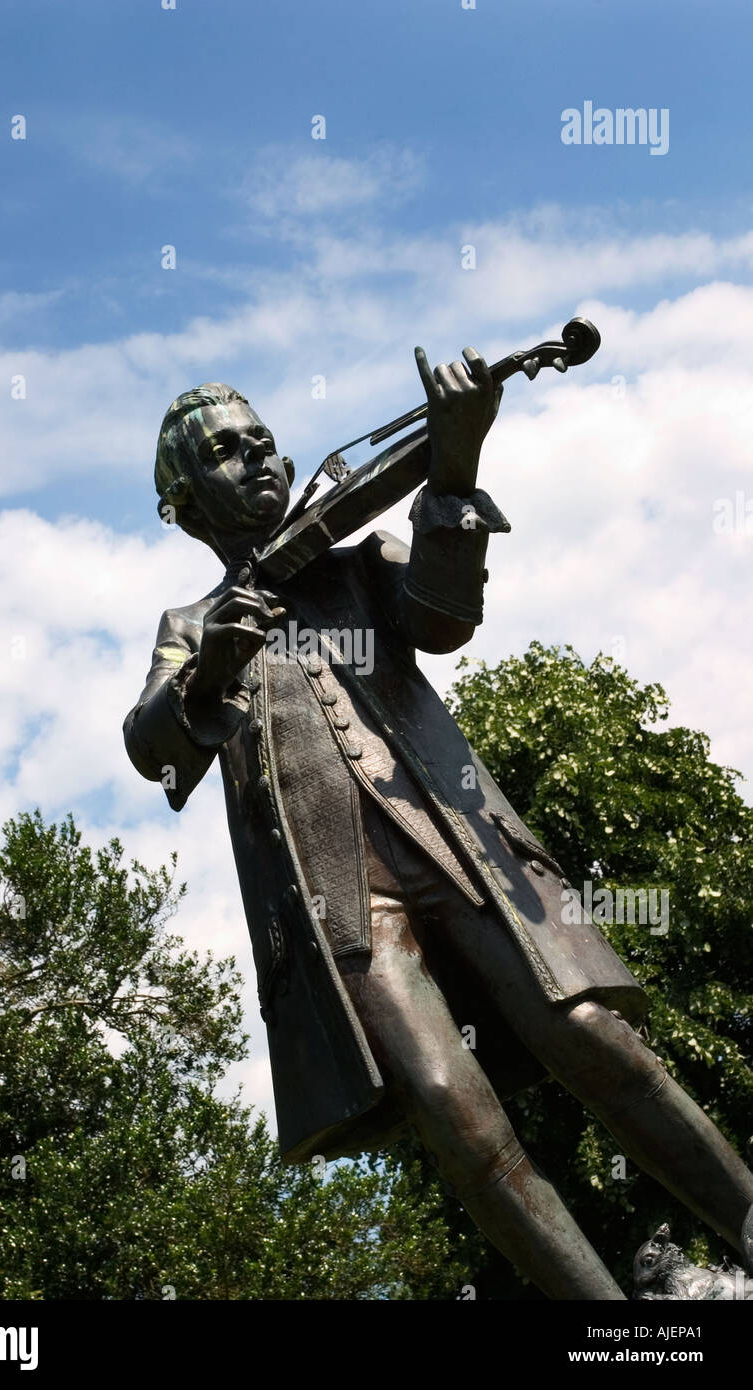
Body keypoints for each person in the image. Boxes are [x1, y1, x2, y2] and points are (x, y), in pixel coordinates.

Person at [124, 345, 753, 1298]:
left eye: (264, 440)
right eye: (225, 453)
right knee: (453, 1111)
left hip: (454, 836)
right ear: (183, 501)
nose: (257, 457)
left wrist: (453, 465)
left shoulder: (358, 564)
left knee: (594, 1038)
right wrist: (210, 666)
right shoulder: (189, 621)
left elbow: (447, 614)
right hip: (341, 899)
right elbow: (152, 743)